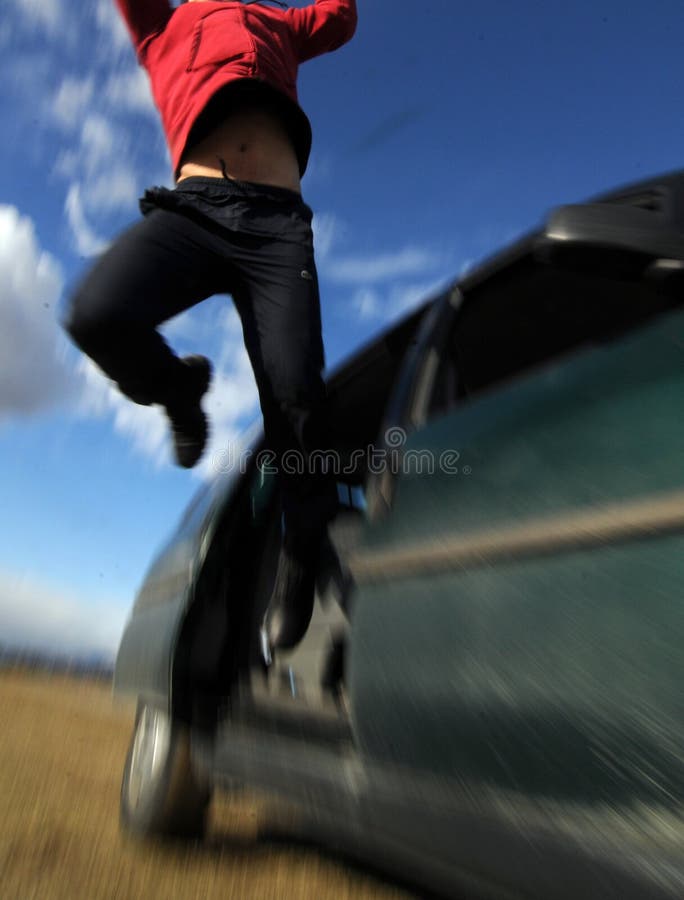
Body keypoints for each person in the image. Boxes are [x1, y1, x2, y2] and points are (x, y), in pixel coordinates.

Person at [63, 0, 358, 652]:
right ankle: (180, 393)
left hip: (276, 227)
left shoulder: (279, 24)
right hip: (194, 210)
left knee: (295, 389)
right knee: (96, 313)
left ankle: (303, 548)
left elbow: (339, 18)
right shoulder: (163, 26)